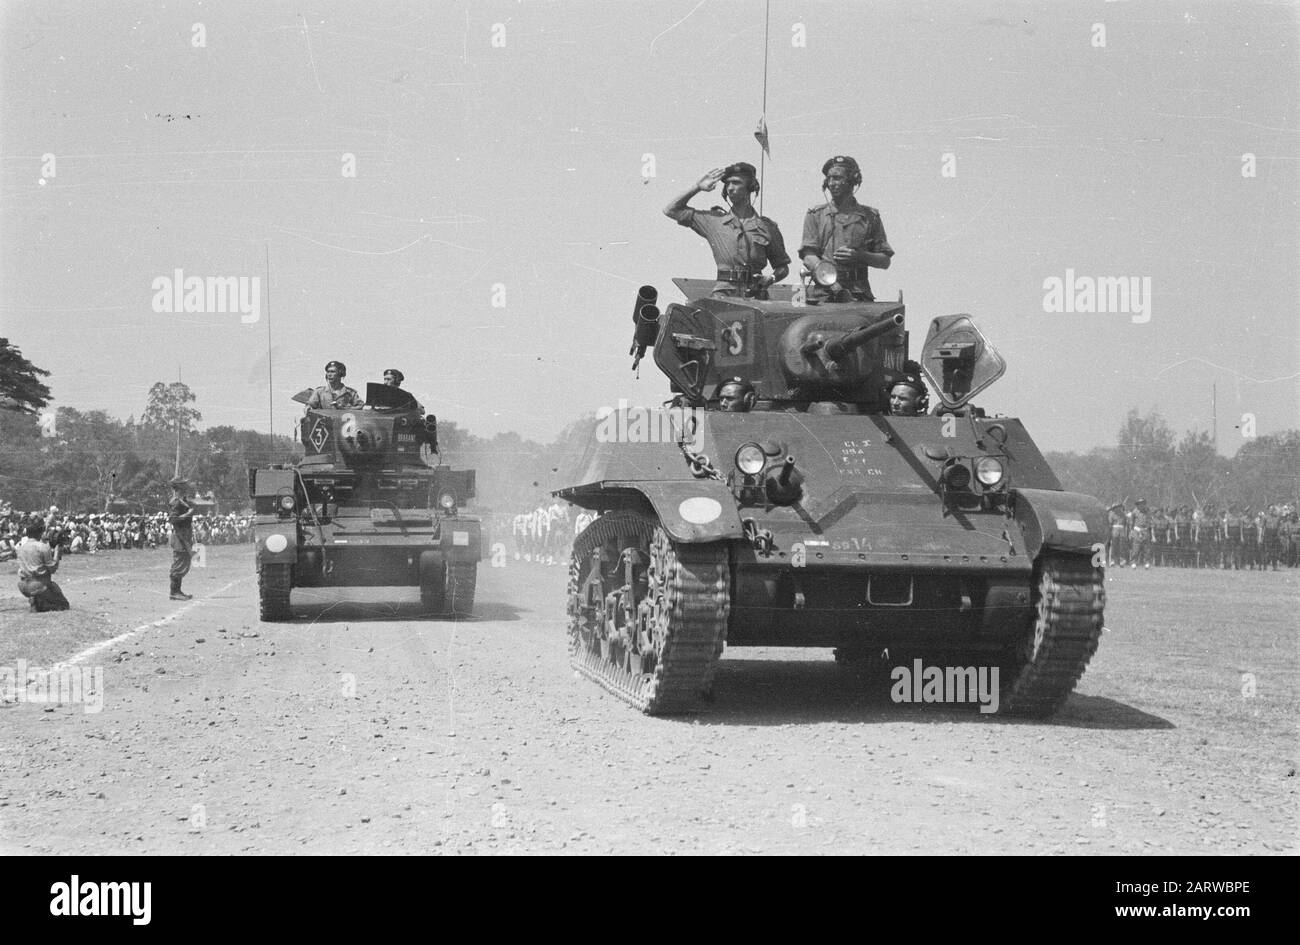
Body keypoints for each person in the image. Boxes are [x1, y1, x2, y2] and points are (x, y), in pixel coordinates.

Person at [663, 163, 790, 299]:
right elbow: (671, 210)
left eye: (736, 183)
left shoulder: (767, 227)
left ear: (751, 187)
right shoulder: (714, 220)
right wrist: (697, 187)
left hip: (756, 295)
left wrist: (770, 278)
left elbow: (782, 267)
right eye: (727, 184)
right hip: (723, 296)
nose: (730, 188)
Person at [799, 155, 894, 302]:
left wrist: (860, 256)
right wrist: (827, 276)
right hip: (824, 295)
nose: (831, 183)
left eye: (837, 178)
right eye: (828, 179)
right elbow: (808, 256)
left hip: (859, 294)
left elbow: (884, 261)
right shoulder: (816, 215)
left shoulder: (870, 217)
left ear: (852, 180)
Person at [16, 518, 70, 612]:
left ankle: (36, 599)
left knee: (48, 589)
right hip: (38, 585)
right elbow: (52, 569)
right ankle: (39, 603)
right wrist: (57, 553)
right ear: (39, 533)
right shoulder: (42, 547)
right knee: (64, 605)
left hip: (22, 585)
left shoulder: (20, 548)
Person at [168, 477, 196, 601]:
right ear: (178, 487)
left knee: (185, 563)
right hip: (180, 537)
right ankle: (174, 592)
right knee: (179, 564)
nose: (187, 487)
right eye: (184, 485)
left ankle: (177, 591)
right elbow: (173, 520)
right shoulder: (176, 502)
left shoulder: (182, 501)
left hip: (185, 535)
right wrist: (187, 514)